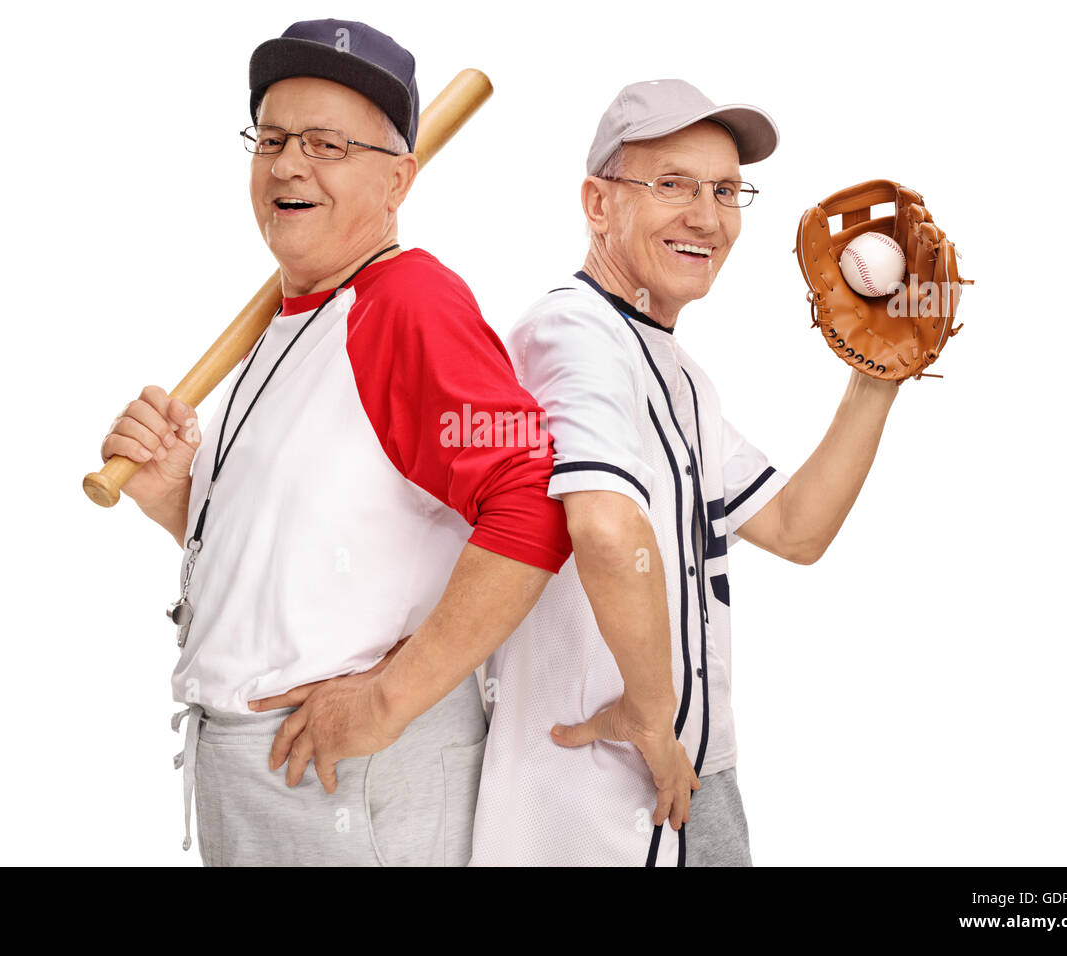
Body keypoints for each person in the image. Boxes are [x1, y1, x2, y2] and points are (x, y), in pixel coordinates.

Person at [99, 19, 572, 866]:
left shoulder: (407, 303)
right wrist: (182, 498)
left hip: (353, 776)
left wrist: (394, 696)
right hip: (262, 777)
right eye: (273, 138)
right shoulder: (298, 320)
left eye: (326, 144)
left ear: (398, 179)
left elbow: (533, 502)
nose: (287, 164)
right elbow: (307, 555)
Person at [465, 79, 903, 866]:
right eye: (673, 184)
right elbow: (602, 526)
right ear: (598, 204)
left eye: (726, 190)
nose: (707, 215)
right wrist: (649, 712)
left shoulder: (677, 371)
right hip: (595, 796)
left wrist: (876, 377)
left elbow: (798, 530)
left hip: (689, 773)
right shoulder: (573, 331)